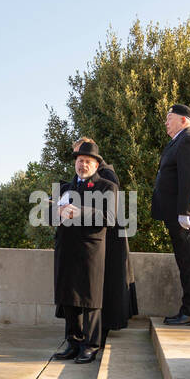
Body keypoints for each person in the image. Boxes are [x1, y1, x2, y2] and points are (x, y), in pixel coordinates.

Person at [53, 140, 119, 363]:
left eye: (87, 162)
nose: (82, 165)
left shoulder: (107, 187)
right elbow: (49, 217)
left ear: (96, 164)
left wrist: (78, 212)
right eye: (80, 161)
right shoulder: (64, 188)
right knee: (68, 298)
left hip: (90, 251)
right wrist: (55, 210)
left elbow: (109, 219)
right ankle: (72, 342)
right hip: (66, 250)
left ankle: (90, 345)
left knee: (90, 300)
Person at [71, 138, 136, 346]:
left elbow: (108, 210)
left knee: (101, 288)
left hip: (107, 239)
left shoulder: (106, 176)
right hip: (94, 237)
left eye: (80, 154)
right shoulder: (82, 177)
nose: (79, 162)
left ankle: (98, 333)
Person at [151, 103, 190, 325]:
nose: (166, 122)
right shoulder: (177, 141)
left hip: (187, 213)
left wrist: (185, 211)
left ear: (183, 120)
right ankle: (188, 309)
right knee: (184, 261)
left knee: (189, 262)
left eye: (169, 118)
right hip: (178, 212)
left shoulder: (189, 139)